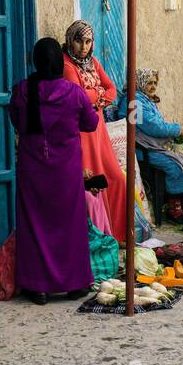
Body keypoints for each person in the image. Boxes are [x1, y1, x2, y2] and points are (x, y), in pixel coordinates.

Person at [10, 38, 100, 305]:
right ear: (61, 63)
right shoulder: (74, 93)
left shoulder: (22, 91)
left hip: (33, 171)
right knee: (69, 227)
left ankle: (38, 287)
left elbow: (17, 121)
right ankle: (74, 284)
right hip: (66, 173)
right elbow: (91, 123)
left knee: (35, 226)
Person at [62, 21, 128, 241]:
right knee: (92, 184)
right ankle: (97, 238)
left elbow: (112, 91)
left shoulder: (93, 62)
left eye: (88, 41)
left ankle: (117, 236)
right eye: (78, 40)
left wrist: (93, 96)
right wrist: (97, 95)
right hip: (81, 132)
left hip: (98, 130)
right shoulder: (66, 65)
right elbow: (77, 95)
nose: (83, 46)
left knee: (116, 178)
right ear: (69, 40)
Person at [132, 68, 183, 222]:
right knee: (174, 165)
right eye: (149, 82)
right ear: (140, 82)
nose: (152, 86)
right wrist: (178, 130)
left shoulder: (143, 100)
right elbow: (154, 127)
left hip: (151, 147)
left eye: (155, 83)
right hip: (142, 151)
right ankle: (174, 210)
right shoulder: (134, 102)